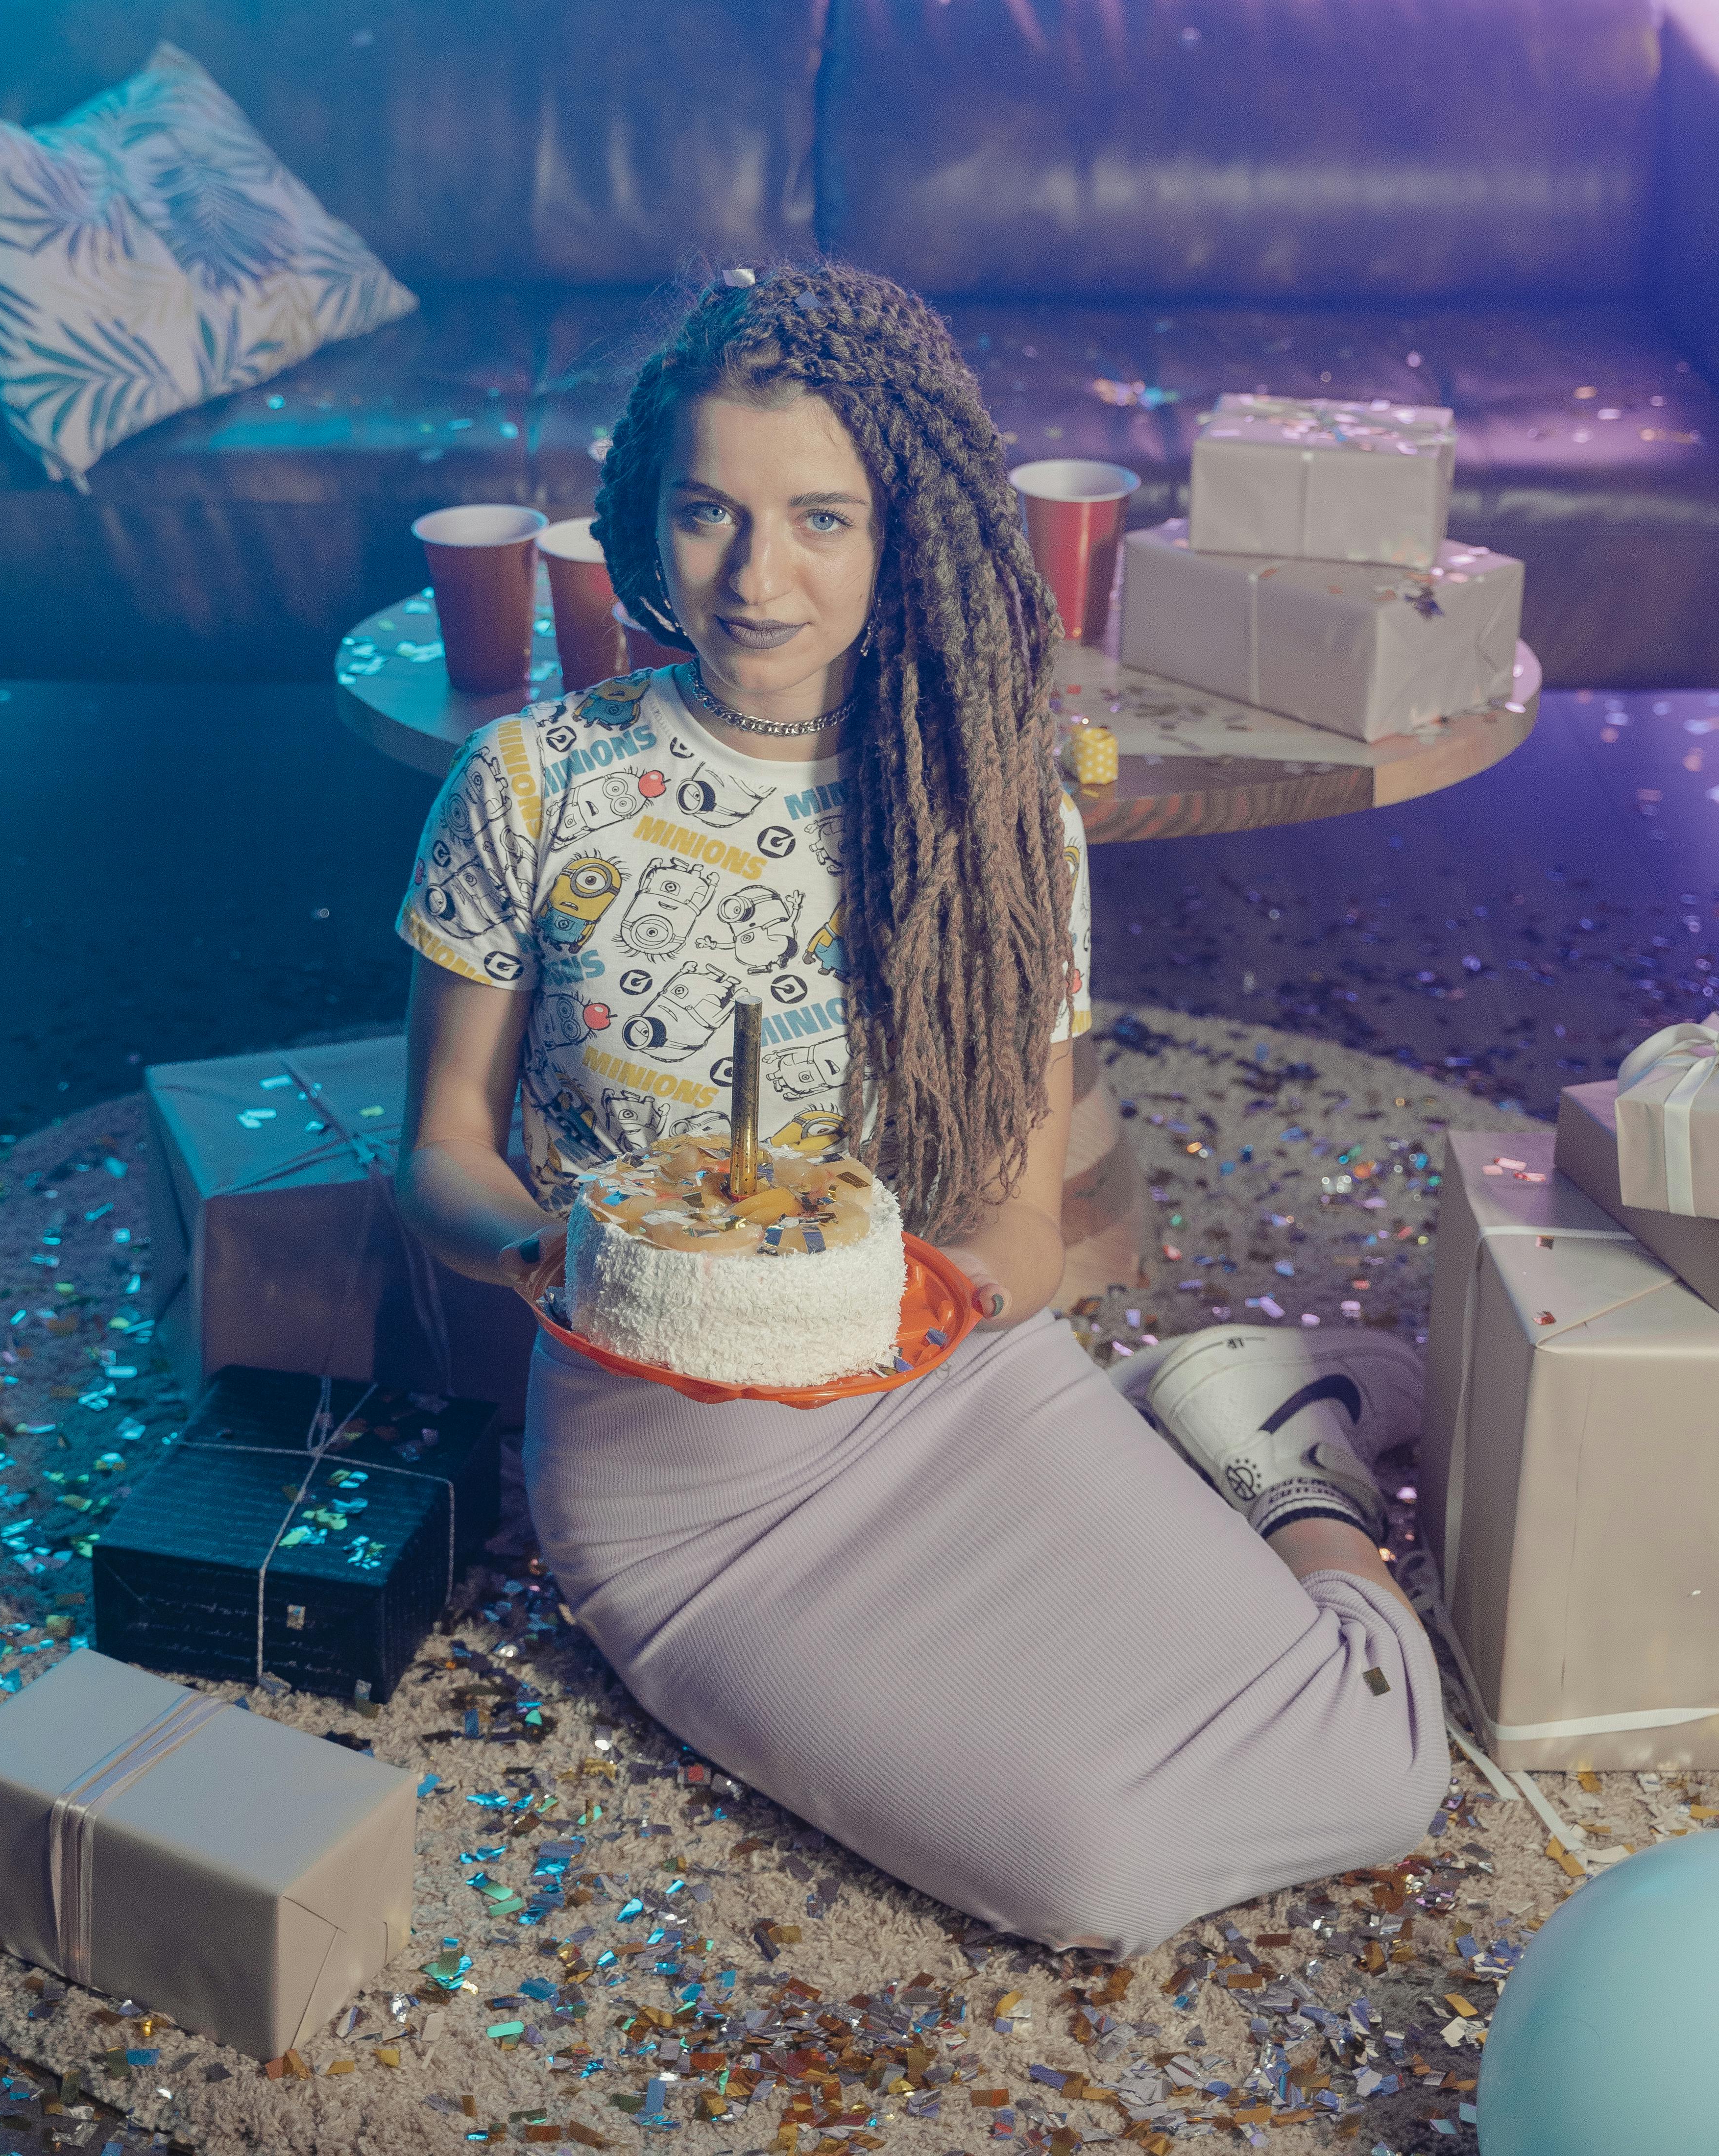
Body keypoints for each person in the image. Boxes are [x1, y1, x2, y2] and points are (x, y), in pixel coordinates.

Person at [392, 263, 1448, 1956]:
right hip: (677, 1496)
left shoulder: (994, 810)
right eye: (710, 513)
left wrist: (934, 1302)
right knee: (1092, 1870)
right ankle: (1192, 1446)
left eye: (822, 519)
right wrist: (548, 1254)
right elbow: (439, 1150)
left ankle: (1271, 1438)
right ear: (646, 514)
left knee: (1377, 1765)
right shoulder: (533, 782)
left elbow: (1017, 1222)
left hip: (940, 1374)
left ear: (907, 535)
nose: (758, 578)